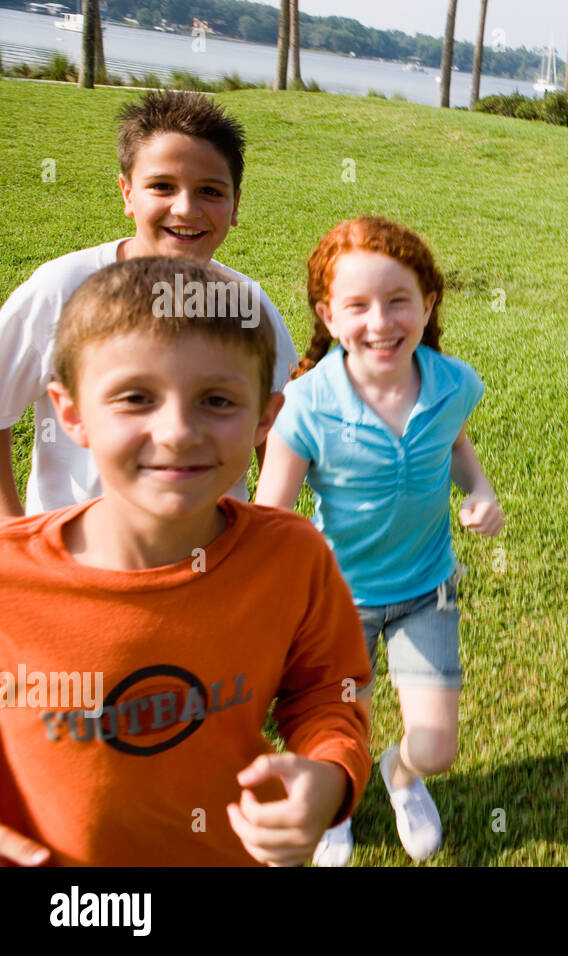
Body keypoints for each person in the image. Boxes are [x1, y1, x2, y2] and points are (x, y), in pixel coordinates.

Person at [0, 257, 371, 867]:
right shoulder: (12, 577)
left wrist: (328, 774)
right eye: (136, 397)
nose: (176, 431)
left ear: (265, 416)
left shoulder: (289, 556)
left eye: (217, 400)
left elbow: (328, 689)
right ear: (70, 413)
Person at [256, 217, 503, 866]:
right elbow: (271, 514)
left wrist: (478, 489)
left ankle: (401, 775)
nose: (381, 321)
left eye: (399, 301)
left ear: (428, 304)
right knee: (344, 737)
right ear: (328, 316)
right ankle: (339, 808)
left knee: (437, 745)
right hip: (337, 605)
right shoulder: (306, 405)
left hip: (428, 591)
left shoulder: (451, 381)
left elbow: (453, 440)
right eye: (358, 305)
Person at [0, 90, 297, 518]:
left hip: (209, 567)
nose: (186, 208)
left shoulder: (245, 304)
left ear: (236, 205)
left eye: (211, 191)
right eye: (162, 186)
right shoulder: (61, 288)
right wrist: (13, 533)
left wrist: (265, 533)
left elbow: (281, 430)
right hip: (78, 563)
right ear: (127, 193)